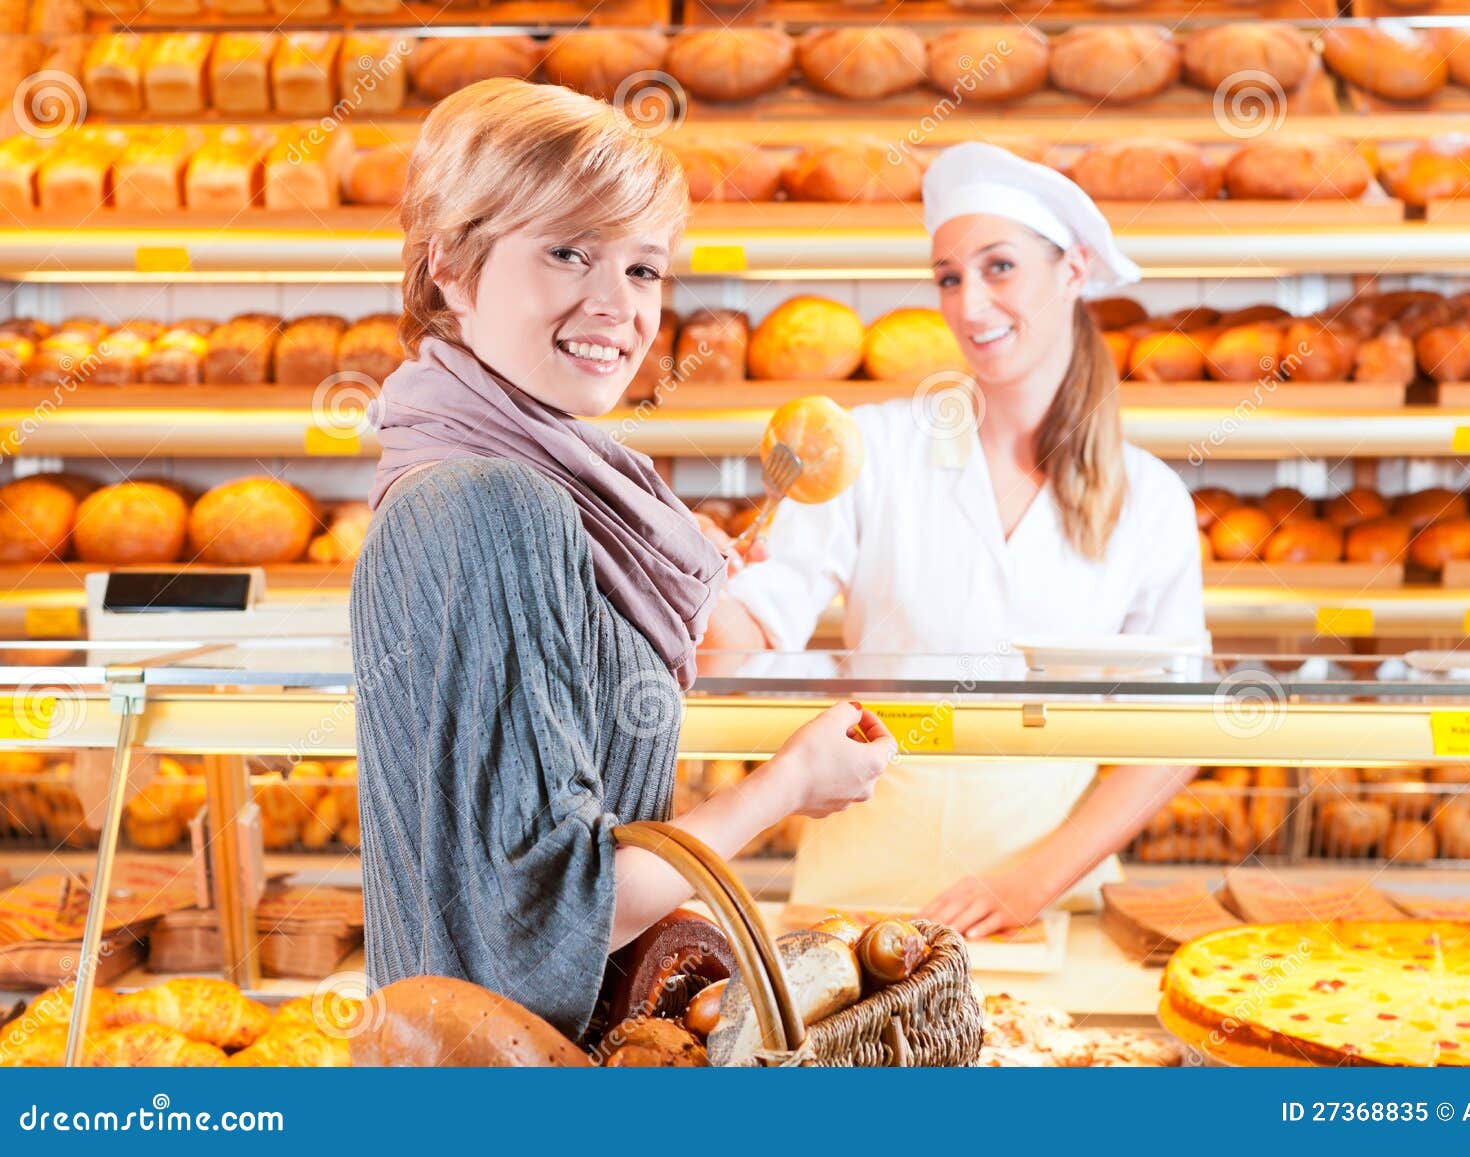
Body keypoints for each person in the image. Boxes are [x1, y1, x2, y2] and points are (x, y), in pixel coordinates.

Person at [350, 79, 896, 1041]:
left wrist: (658, 594)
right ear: (452, 267)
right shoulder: (493, 506)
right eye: (569, 251)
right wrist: (783, 789)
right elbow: (549, 919)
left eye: (644, 268)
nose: (618, 305)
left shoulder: (515, 487)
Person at [705, 142, 1203, 939]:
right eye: (949, 276)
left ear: (1073, 268)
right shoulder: (869, 448)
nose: (969, 306)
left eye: (998, 267)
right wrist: (698, 583)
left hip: (1045, 907)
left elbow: (1177, 732)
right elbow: (747, 641)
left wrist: (1026, 887)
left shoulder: (1149, 498)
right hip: (857, 896)